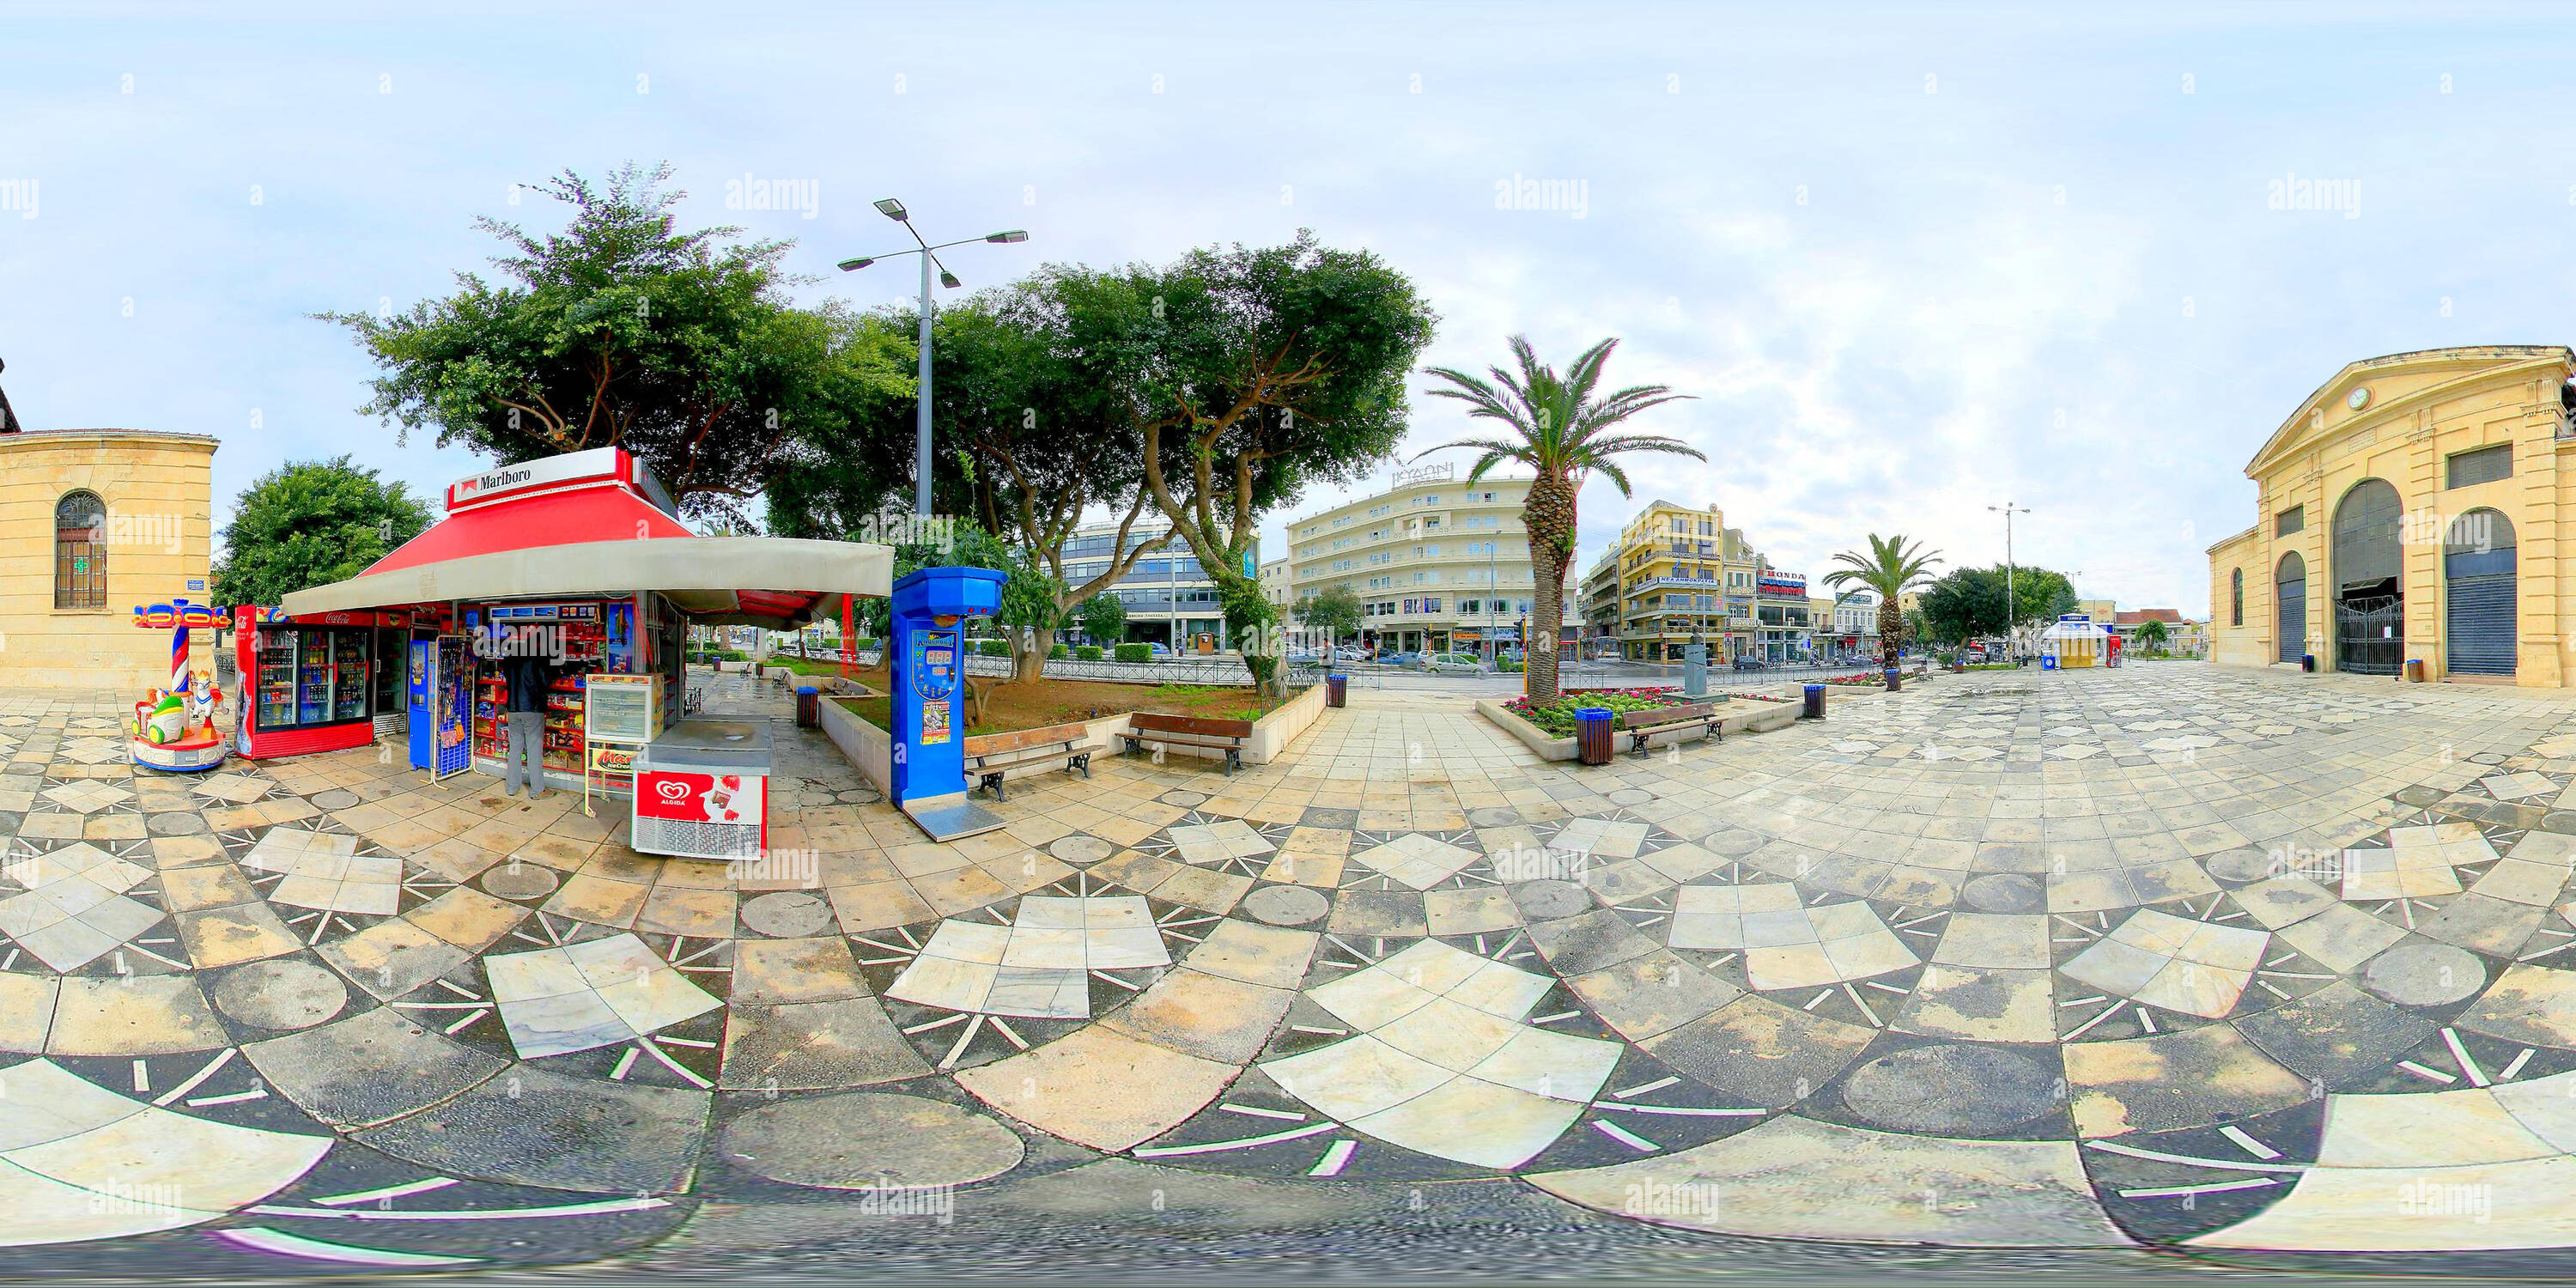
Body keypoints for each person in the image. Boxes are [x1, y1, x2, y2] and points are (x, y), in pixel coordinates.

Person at [500, 630, 557, 798]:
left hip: (514, 709)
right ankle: (538, 790)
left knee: (515, 749)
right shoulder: (539, 658)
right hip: (532, 709)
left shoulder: (510, 659)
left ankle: (511, 788)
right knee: (533, 750)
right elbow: (546, 681)